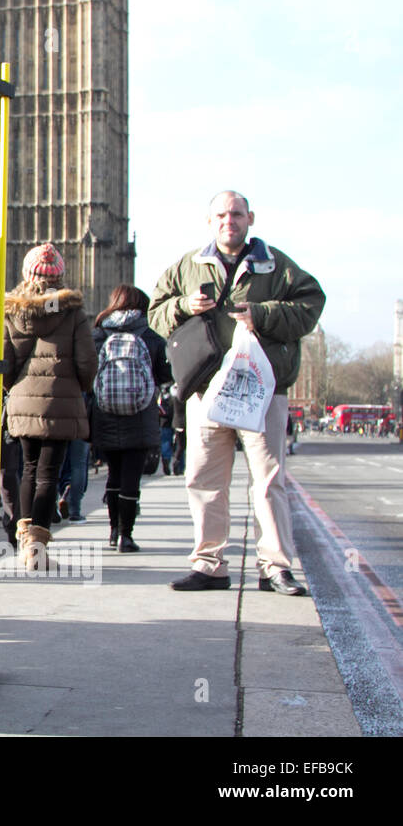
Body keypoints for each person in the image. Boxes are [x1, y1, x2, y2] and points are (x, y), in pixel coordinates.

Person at [149, 191, 324, 595]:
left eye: (238, 214)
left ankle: (275, 567)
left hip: (260, 389)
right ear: (209, 221)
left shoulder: (276, 264)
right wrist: (182, 307)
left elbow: (312, 304)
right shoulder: (187, 266)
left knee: (268, 481)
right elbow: (155, 314)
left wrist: (262, 314)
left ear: (251, 219)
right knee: (204, 480)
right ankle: (209, 565)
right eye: (222, 215)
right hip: (207, 389)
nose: (230, 221)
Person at [1, 243, 97, 571]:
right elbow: (87, 361)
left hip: (23, 401)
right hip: (61, 401)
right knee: (49, 475)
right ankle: (36, 550)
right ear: (60, 276)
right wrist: (78, 387)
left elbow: (5, 363)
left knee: (28, 470)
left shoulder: (13, 310)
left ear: (28, 274)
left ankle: (25, 543)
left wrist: (14, 390)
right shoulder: (71, 311)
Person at [89, 284, 171, 553]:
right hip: (140, 414)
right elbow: (163, 375)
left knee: (113, 474)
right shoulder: (151, 337)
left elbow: (89, 371)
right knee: (131, 478)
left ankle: (112, 532)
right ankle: (126, 535)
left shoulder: (98, 333)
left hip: (106, 413)